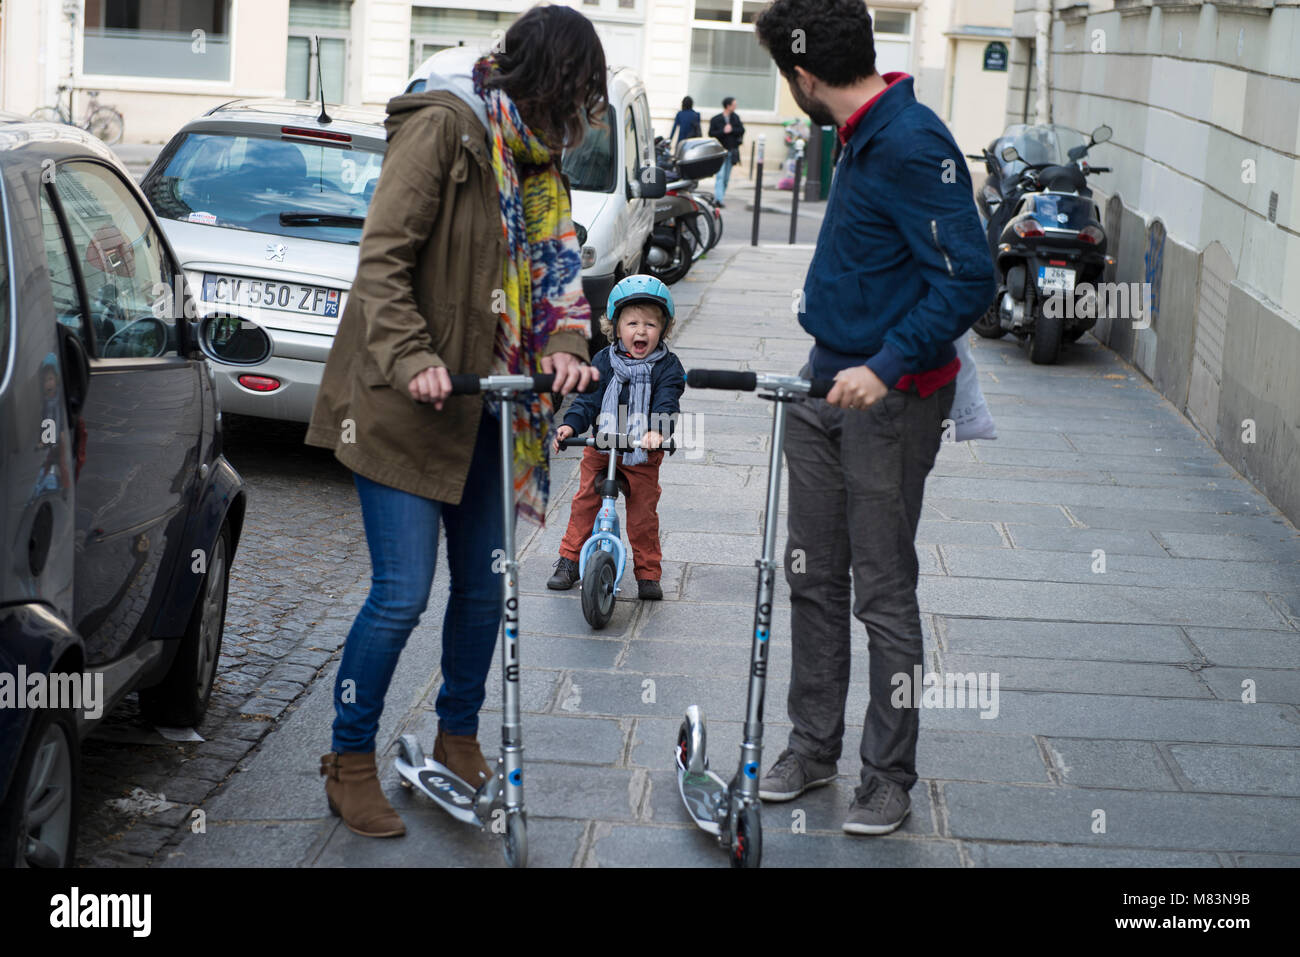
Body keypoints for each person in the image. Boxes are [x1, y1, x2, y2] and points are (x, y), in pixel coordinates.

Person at [304, 4, 607, 839]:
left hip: (492, 407)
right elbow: (383, 258)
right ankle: (349, 758)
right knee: (401, 594)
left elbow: (559, 277)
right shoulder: (445, 126)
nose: (579, 114)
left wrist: (572, 343)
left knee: (485, 587)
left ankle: (458, 734)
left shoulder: (538, 163)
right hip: (404, 403)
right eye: (575, 93)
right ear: (543, 79)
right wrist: (412, 358)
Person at [753, 0, 994, 835]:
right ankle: (812, 747)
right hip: (822, 389)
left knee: (882, 593)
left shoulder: (913, 143)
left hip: (889, 407)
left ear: (805, 77)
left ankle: (888, 773)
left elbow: (969, 279)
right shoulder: (859, 138)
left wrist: (886, 365)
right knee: (812, 577)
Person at [546, 275, 685, 602]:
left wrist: (657, 431)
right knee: (584, 503)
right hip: (603, 445)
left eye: (651, 324)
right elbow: (587, 400)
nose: (641, 331)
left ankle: (648, 573)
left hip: (642, 453)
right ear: (615, 327)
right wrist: (570, 426)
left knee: (643, 516)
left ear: (663, 330)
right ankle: (569, 560)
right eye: (632, 323)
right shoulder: (603, 361)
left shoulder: (668, 366)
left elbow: (667, 400)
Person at [707, 97, 744, 206]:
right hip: (720, 152)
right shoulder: (716, 119)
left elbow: (741, 130)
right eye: (734, 104)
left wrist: (732, 129)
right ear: (728, 106)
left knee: (726, 178)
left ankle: (720, 195)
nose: (735, 106)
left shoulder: (735, 118)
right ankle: (719, 199)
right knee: (720, 176)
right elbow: (711, 134)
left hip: (731, 151)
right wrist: (723, 131)